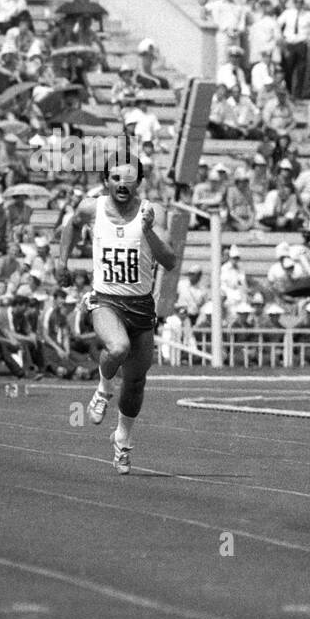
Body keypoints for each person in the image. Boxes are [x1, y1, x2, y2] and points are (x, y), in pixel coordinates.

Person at [57, 155, 178, 475]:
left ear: (138, 182)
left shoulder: (154, 212)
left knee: (136, 382)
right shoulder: (91, 207)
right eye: (115, 178)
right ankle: (103, 387)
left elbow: (169, 261)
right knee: (117, 348)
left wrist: (149, 231)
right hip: (105, 300)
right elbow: (71, 225)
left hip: (141, 306)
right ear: (106, 181)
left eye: (128, 179)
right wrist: (62, 262)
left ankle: (122, 440)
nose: (121, 184)